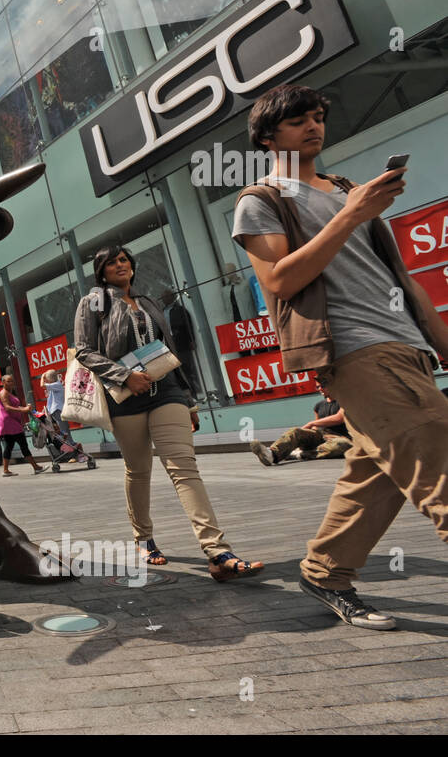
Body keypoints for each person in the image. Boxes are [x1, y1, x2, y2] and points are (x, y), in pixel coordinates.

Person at [234, 82, 448, 630]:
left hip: (404, 342)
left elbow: (399, 276)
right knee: (438, 465)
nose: (314, 126)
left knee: (375, 472)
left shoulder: (347, 188)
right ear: (266, 137)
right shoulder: (262, 200)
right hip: (353, 347)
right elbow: (279, 280)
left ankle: (325, 571)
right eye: (297, 120)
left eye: (318, 116)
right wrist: (350, 215)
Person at [74, 245, 264, 581]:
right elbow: (85, 351)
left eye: (124, 260)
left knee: (184, 469)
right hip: (125, 398)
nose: (120, 264)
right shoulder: (93, 303)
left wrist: (189, 399)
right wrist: (125, 376)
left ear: (132, 267)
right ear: (101, 271)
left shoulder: (148, 302)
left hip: (168, 393)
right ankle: (143, 538)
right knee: (139, 469)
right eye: (111, 262)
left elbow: (170, 351)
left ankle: (217, 552)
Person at [250, 384, 351, 466]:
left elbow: (340, 418)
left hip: (339, 437)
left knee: (342, 445)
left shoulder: (343, 401)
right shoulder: (319, 406)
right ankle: (272, 454)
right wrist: (303, 434)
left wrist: (312, 423)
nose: (319, 389)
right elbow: (316, 427)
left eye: (322, 386)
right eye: (317, 386)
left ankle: (298, 454)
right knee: (295, 431)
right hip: (321, 436)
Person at [0, 374, 45, 477]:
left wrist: (24, 408)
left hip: (11, 422)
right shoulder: (3, 393)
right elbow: (7, 407)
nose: (11, 383)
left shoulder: (9, 393)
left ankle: (5, 470)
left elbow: (14, 406)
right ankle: (35, 467)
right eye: (8, 381)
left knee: (9, 446)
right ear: (3, 382)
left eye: (12, 381)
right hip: (10, 423)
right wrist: (23, 410)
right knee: (23, 444)